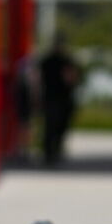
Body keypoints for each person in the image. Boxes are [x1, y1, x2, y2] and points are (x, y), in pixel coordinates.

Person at [38, 36, 81, 166]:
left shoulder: (55, 61)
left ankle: (51, 152)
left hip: (56, 98)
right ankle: (51, 152)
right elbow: (72, 78)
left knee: (54, 126)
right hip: (56, 99)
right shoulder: (60, 61)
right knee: (54, 126)